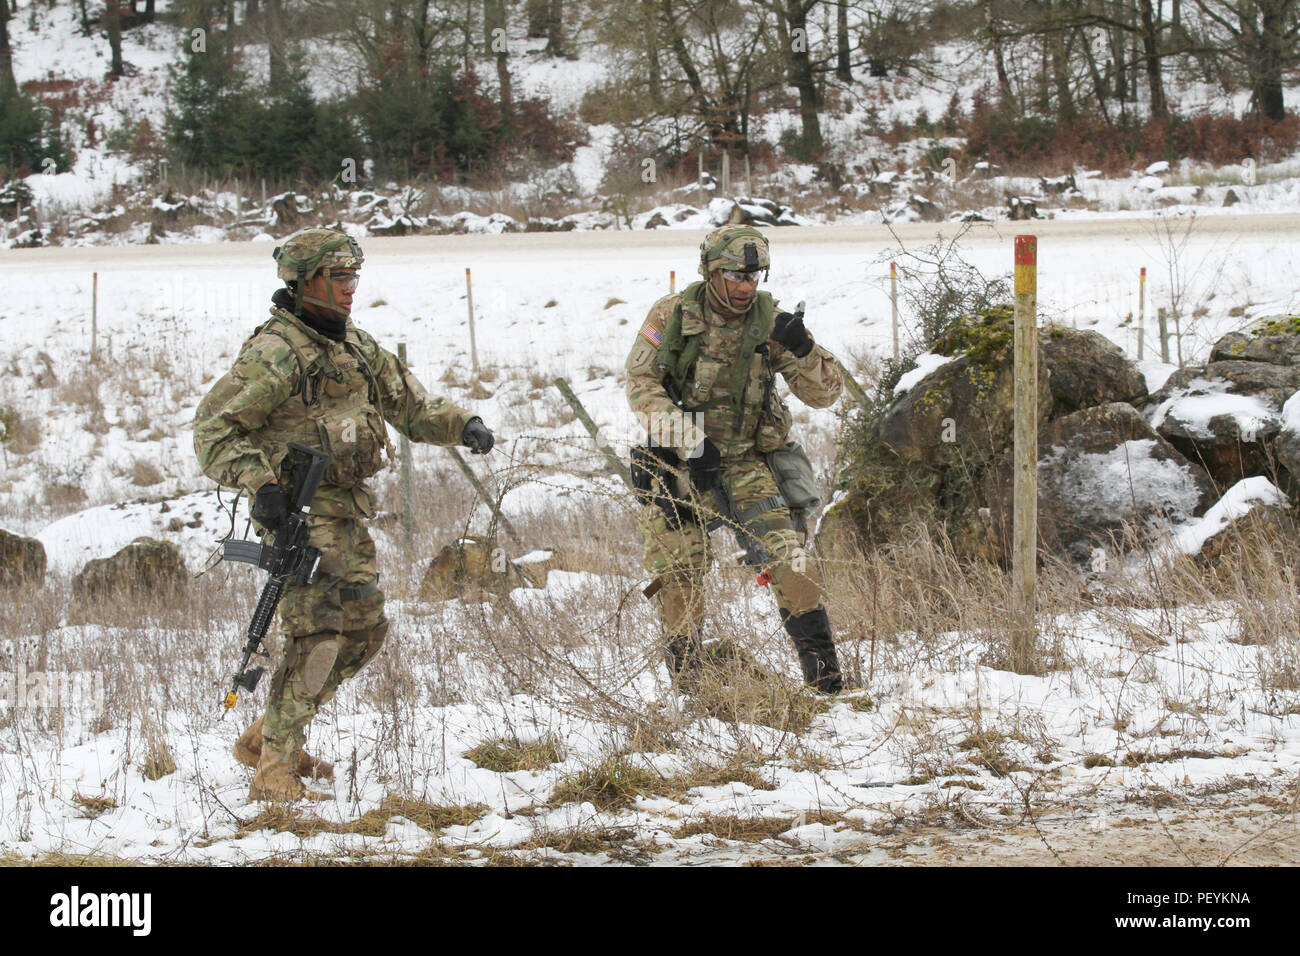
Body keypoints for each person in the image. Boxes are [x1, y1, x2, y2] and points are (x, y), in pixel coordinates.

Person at [193, 227, 495, 801]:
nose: (350, 287)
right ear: (304, 282)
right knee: (318, 638)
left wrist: (464, 426)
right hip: (299, 520)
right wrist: (261, 486)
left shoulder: (353, 344)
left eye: (353, 276)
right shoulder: (276, 353)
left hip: (348, 512)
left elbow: (411, 404)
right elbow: (213, 431)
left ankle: (265, 739)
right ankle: (274, 773)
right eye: (338, 277)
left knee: (366, 631)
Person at [625, 224, 846, 693]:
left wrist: (804, 350)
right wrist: (690, 440)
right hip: (680, 464)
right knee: (680, 570)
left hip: (747, 464)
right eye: (735, 276)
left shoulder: (771, 322)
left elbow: (825, 395)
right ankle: (691, 688)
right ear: (710, 272)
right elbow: (642, 386)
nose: (746, 286)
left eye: (753, 276)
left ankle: (826, 681)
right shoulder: (672, 315)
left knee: (792, 560)